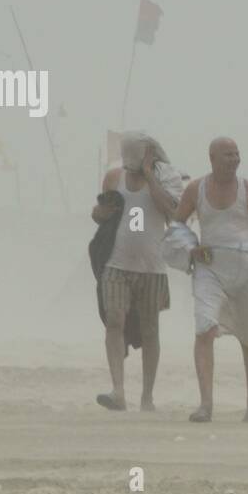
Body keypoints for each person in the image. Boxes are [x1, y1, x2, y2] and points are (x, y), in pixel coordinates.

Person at [174, 137, 248, 422]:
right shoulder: (196, 190)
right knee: (204, 329)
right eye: (227, 155)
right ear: (212, 158)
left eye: (236, 154)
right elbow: (177, 226)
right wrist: (192, 248)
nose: (234, 160)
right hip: (209, 269)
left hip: (247, 271)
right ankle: (206, 404)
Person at [91, 131, 181, 411]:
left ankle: (147, 396)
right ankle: (118, 391)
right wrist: (100, 213)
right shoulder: (113, 178)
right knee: (115, 320)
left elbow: (173, 213)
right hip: (116, 264)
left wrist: (149, 176)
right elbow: (98, 213)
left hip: (152, 267)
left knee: (150, 329)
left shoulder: (167, 179)